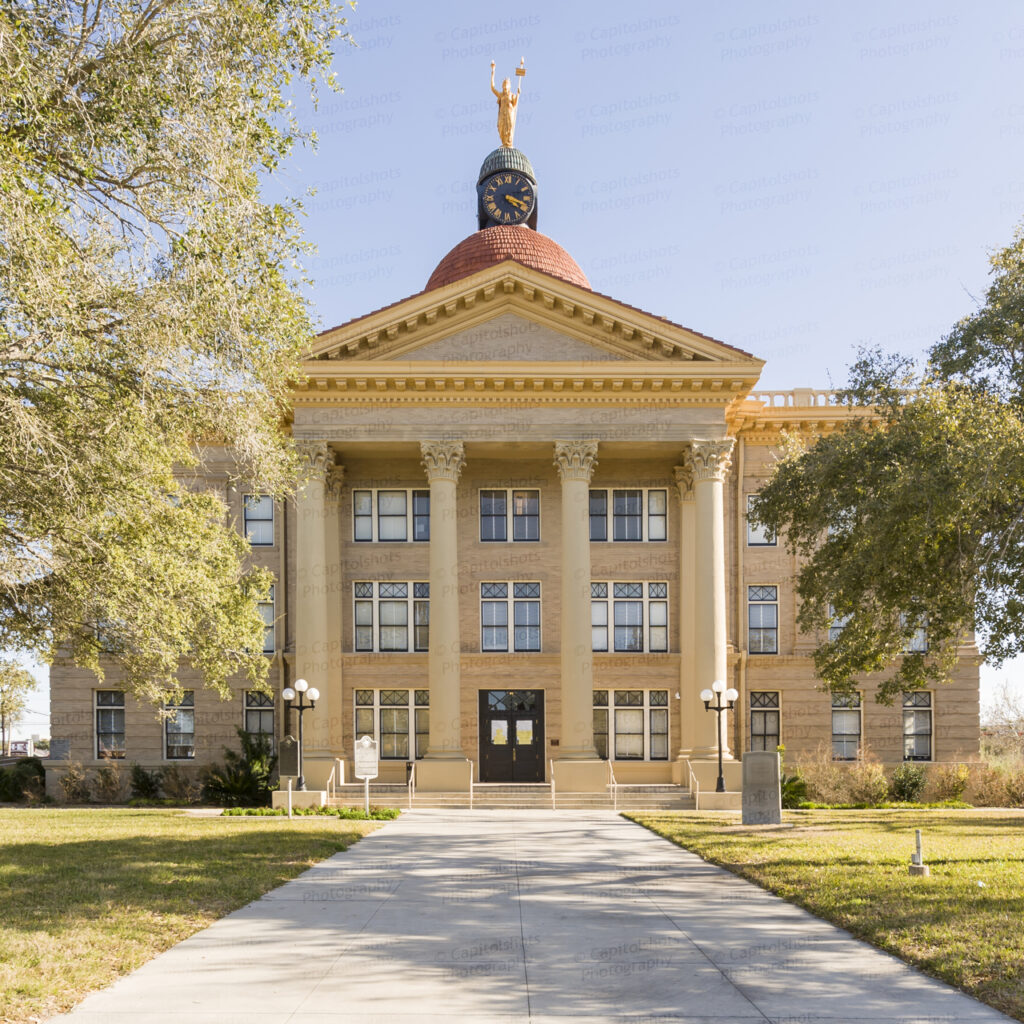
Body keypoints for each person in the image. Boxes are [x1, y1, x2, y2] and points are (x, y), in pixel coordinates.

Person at [490, 60, 523, 148]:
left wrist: (518, 94)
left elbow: (515, 103)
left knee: (509, 127)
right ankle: (504, 142)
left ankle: (508, 141)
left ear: (509, 86)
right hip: (502, 114)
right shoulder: (501, 95)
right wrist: (493, 71)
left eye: (506, 84)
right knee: (501, 127)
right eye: (504, 84)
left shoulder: (511, 95)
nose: (505, 86)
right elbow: (492, 88)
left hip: (509, 113)